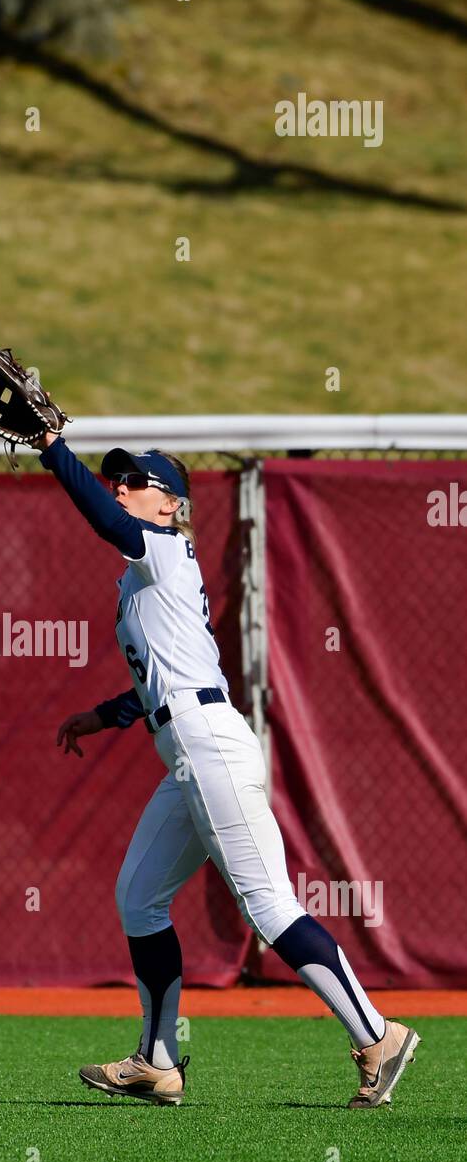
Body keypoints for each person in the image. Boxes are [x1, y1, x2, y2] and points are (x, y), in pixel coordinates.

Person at [35, 429, 420, 1109]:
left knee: (268, 903)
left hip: (206, 740)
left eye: (133, 481)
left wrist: (51, 447)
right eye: (114, 478)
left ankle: (377, 1035)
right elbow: (166, 677)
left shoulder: (157, 547)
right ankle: (157, 1061)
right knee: (139, 896)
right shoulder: (145, 572)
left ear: (171, 505)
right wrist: (105, 714)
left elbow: (101, 517)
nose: (119, 487)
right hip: (186, 741)